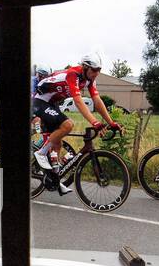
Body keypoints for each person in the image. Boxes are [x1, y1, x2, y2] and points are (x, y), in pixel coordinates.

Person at [33, 53, 118, 194]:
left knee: (57, 143)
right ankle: (41, 153)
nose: (96, 73)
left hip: (52, 103)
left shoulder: (90, 79)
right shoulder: (73, 74)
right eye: (94, 70)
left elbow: (97, 100)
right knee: (68, 125)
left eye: (99, 70)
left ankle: (54, 179)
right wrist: (95, 122)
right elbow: (78, 101)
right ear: (85, 67)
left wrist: (111, 122)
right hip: (39, 101)